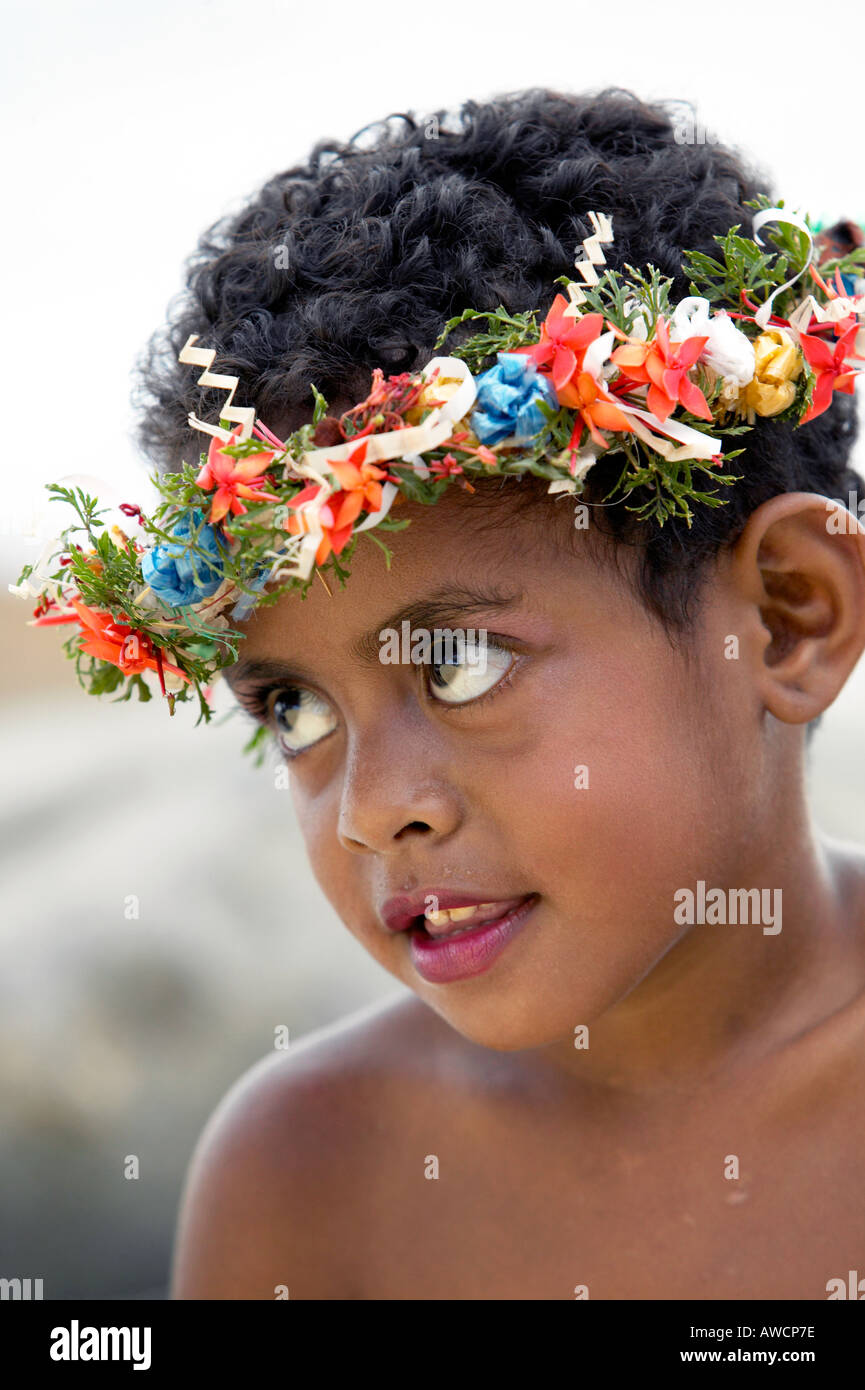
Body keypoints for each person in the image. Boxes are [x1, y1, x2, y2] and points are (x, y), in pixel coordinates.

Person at [46, 88, 865, 1298]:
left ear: (791, 616)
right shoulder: (307, 1172)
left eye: (460, 663)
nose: (374, 812)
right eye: (296, 709)